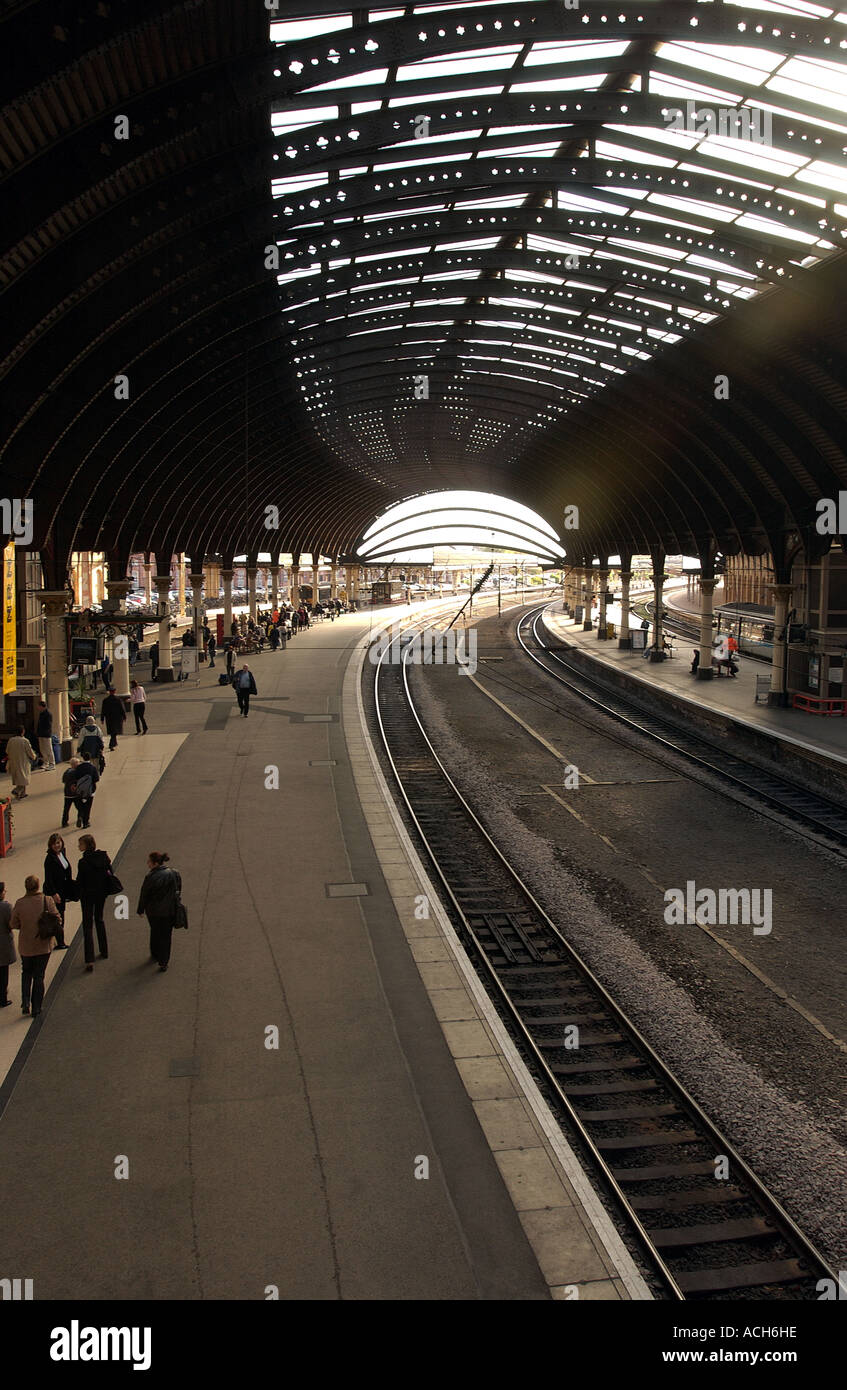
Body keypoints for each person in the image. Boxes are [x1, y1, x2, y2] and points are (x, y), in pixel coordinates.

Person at [11, 875, 59, 1017]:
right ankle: (36, 1007)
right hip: (43, 945)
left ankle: (25, 1001)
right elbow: (57, 919)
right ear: (38, 886)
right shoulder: (46, 900)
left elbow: (13, 924)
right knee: (39, 976)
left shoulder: (20, 903)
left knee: (26, 972)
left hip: (26, 945)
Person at [137, 851, 182, 972]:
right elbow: (178, 889)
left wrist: (140, 909)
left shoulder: (151, 877)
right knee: (166, 936)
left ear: (155, 863)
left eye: (149, 862)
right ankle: (164, 962)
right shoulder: (174, 873)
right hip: (169, 910)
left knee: (155, 931)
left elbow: (144, 894)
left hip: (154, 911)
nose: (147, 864)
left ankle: (155, 953)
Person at [76, 834, 113, 971]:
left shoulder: (83, 862)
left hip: (87, 897)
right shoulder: (103, 857)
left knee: (87, 926)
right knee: (99, 919)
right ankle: (104, 950)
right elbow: (110, 872)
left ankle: (89, 959)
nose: (78, 846)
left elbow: (80, 881)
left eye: (80, 844)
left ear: (86, 846)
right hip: (101, 894)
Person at [43, 833, 74, 950]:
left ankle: (57, 938)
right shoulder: (50, 859)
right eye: (54, 843)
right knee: (57, 916)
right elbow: (48, 878)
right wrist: (54, 893)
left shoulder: (62, 853)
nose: (57, 845)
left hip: (62, 889)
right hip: (55, 891)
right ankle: (60, 941)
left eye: (58, 842)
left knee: (61, 913)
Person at [6, 726, 37, 799]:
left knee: (19, 778)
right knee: (24, 778)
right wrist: (34, 756)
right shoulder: (24, 741)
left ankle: (23, 793)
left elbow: (7, 751)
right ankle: (17, 790)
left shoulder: (11, 740)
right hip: (23, 761)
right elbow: (29, 751)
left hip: (13, 761)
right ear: (22, 732)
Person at [73, 753, 100, 829]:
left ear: (83, 758)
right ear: (90, 758)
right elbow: (96, 779)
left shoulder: (79, 767)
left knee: (81, 805)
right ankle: (86, 822)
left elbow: (75, 777)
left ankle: (80, 816)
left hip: (80, 790)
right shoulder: (92, 767)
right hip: (90, 791)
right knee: (88, 807)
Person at [0, 882, 15, 1008]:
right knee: (3, 973)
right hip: (3, 943)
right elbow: (11, 924)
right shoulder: (6, 907)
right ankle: (2, 998)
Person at [100, 685, 126, 750]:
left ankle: (114, 742)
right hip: (117, 718)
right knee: (115, 731)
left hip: (109, 718)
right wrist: (124, 716)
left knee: (112, 731)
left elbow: (103, 710)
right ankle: (111, 744)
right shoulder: (118, 700)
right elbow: (122, 709)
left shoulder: (105, 700)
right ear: (114, 692)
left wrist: (102, 718)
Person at [61, 756, 82, 828]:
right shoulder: (77, 772)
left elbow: (63, 781)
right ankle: (80, 817)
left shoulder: (66, 772)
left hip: (67, 794)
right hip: (75, 794)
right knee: (80, 807)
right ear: (75, 764)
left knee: (66, 809)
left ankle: (64, 822)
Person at [36, 701, 55, 770]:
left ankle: (52, 764)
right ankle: (46, 762)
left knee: (49, 749)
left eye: (39, 706)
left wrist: (45, 732)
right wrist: (38, 733)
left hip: (46, 735)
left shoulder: (48, 714)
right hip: (40, 734)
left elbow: (48, 725)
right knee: (42, 749)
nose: (38, 707)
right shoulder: (41, 714)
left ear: (42, 706)